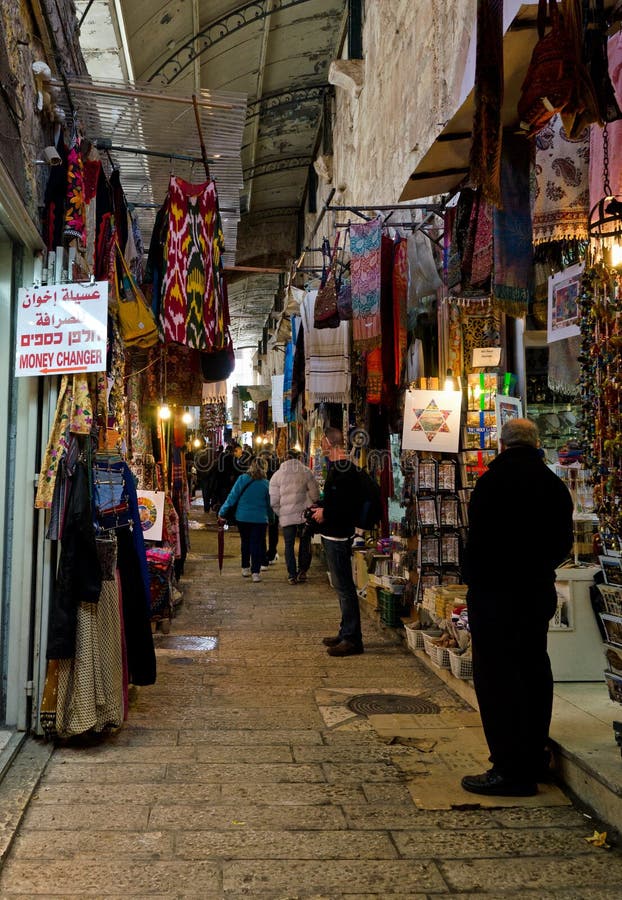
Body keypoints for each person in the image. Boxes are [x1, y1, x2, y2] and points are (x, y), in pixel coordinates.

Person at [461, 418, 574, 797]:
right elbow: (562, 545)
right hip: (534, 591)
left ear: (502, 444)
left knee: (498, 679)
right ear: (536, 443)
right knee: (533, 671)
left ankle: (510, 770)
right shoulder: (553, 485)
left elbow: (478, 542)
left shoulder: (492, 483)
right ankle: (533, 757)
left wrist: (475, 580)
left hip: (495, 596)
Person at [311, 427, 364, 656]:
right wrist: (321, 508)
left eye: (322, 441)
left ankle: (352, 639)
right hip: (333, 533)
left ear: (329, 443)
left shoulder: (344, 470)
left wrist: (325, 512)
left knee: (345, 587)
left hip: (339, 535)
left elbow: (345, 504)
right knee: (341, 587)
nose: (320, 446)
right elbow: (336, 501)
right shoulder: (337, 468)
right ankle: (345, 632)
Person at [269, 449, 320, 584]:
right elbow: (315, 495)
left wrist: (281, 513)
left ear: (285, 458)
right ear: (299, 458)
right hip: (304, 514)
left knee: (289, 545)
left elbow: (274, 501)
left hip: (287, 516)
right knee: (305, 542)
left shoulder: (277, 475)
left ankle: (291, 574)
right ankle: (302, 571)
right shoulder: (306, 472)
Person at [218, 456, 272, 583]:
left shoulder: (242, 479)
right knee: (256, 544)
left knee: (245, 542)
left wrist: (222, 512)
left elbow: (232, 497)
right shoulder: (266, 483)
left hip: (243, 517)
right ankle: (255, 572)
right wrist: (271, 518)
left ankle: (245, 567)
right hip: (260, 519)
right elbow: (270, 504)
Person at [260, 443, 281, 565]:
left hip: (262, 499)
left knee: (262, 527)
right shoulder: (276, 465)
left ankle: (264, 555)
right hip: (274, 499)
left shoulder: (259, 465)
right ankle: (272, 552)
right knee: (273, 527)